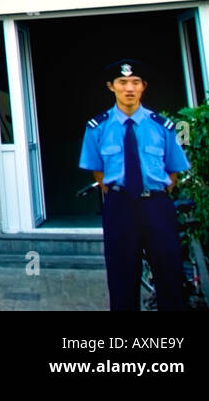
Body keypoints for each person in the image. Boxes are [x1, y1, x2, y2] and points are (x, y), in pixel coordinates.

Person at [78, 58, 190, 311]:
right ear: (111, 86)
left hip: (157, 207)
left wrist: (151, 193)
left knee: (169, 274)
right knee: (121, 277)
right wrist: (122, 193)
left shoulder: (163, 126)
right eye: (122, 82)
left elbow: (173, 173)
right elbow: (98, 172)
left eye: (135, 82)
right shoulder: (97, 128)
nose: (129, 88)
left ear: (143, 87)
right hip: (119, 207)